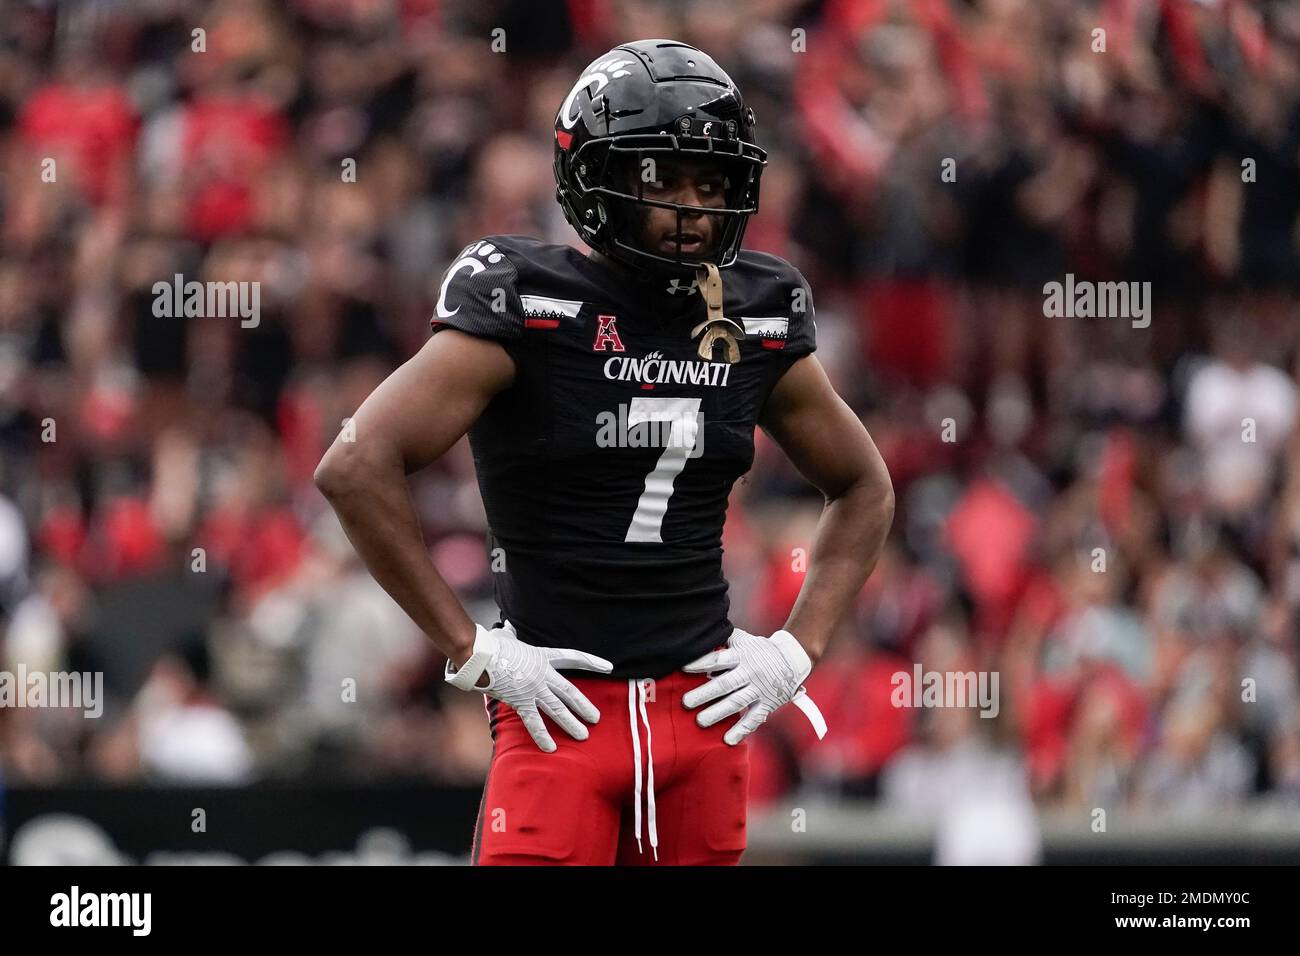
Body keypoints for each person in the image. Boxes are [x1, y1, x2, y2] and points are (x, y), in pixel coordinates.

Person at [315, 38, 895, 865]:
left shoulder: (758, 310)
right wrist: (472, 648)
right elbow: (353, 464)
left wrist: (797, 650)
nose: (694, 207)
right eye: (664, 179)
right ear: (596, 182)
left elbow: (864, 484)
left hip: (702, 713)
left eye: (712, 181)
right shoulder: (528, 299)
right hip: (561, 715)